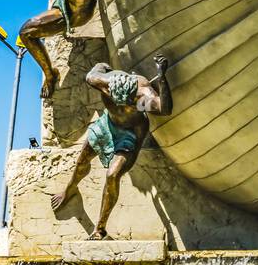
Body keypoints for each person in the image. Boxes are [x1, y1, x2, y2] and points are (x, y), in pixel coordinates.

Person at [51, 57, 172, 239]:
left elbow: (165, 108)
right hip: (107, 124)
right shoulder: (101, 81)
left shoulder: (141, 94)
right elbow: (93, 72)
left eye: (126, 103)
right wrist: (103, 66)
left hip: (131, 133)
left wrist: (162, 77)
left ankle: (100, 228)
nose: (121, 105)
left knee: (112, 175)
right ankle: (70, 188)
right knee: (82, 161)